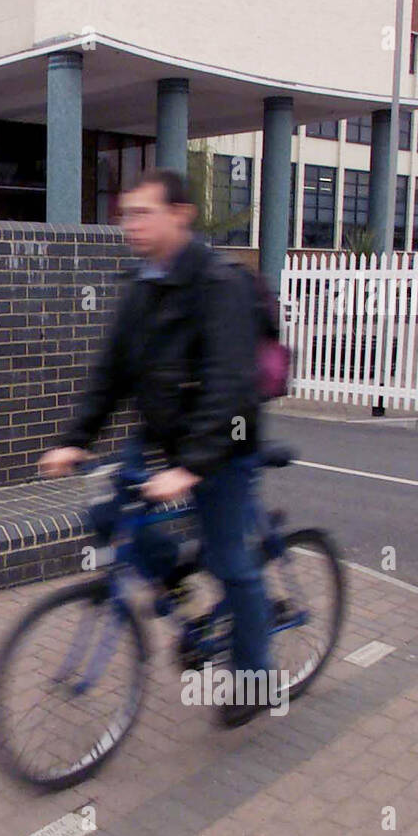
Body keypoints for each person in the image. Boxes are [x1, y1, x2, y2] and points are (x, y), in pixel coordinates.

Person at [38, 167, 273, 728]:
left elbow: (230, 383)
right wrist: (75, 439)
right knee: (108, 516)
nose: (130, 225)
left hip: (226, 442)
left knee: (231, 560)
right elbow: (112, 372)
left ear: (181, 215)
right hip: (164, 438)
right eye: (126, 214)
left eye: (143, 213)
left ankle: (255, 677)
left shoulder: (221, 285)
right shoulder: (143, 286)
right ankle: (190, 601)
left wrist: (193, 466)